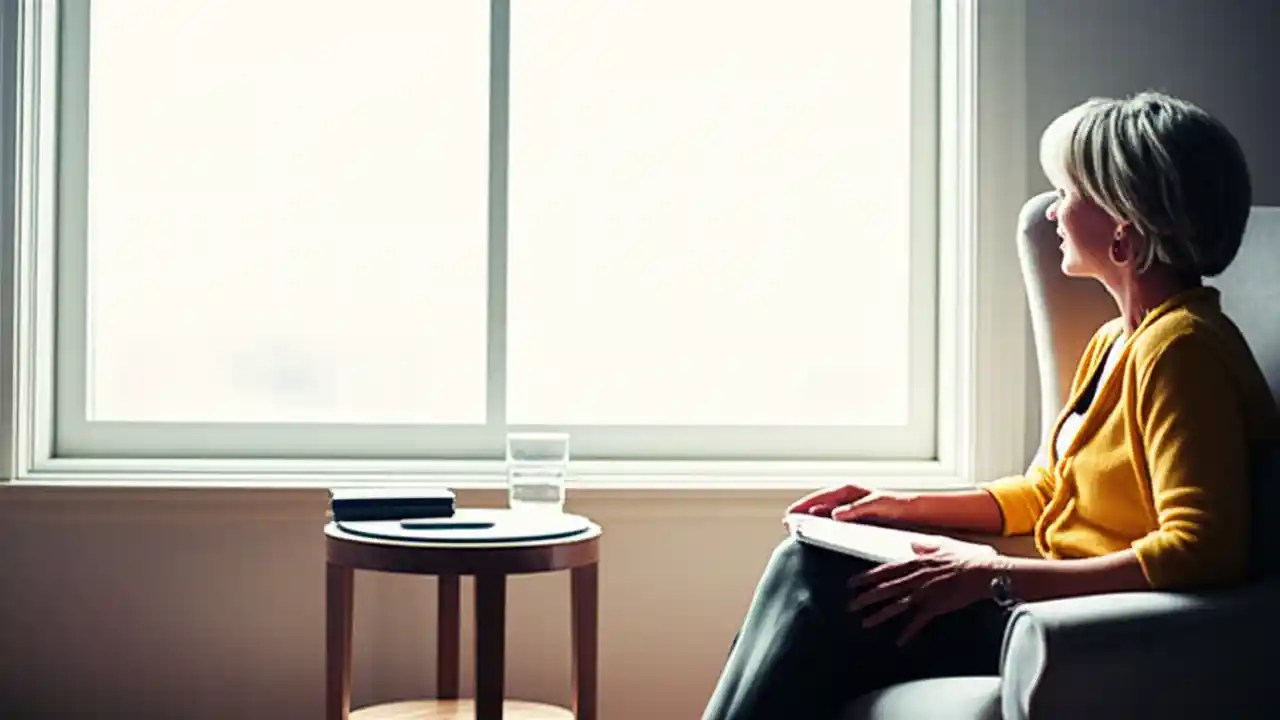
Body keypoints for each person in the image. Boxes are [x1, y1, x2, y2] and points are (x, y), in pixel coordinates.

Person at [702, 91, 1280, 720]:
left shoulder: (1183, 350)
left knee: (812, 588)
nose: (1055, 213)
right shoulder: (1118, 339)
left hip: (1079, 629)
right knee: (810, 590)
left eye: (1069, 193)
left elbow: (1202, 548)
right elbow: (1048, 491)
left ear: (1123, 226)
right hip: (1034, 604)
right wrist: (901, 508)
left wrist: (995, 576)